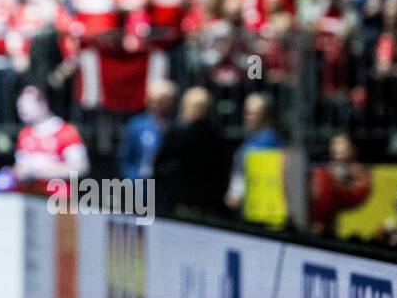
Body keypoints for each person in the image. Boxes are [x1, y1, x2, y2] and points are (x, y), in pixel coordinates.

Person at [153, 87, 230, 218]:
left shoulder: (176, 136)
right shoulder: (220, 139)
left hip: (179, 210)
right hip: (211, 211)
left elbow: (160, 170)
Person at [8, 84, 88, 198]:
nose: (21, 109)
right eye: (19, 105)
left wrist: (39, 172)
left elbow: (81, 167)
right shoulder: (24, 134)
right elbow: (21, 167)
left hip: (59, 202)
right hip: (30, 199)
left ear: (43, 104)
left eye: (27, 104)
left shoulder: (67, 132)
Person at [225, 92, 284, 211]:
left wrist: (237, 195)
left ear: (266, 116)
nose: (247, 117)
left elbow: (252, 172)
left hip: (256, 207)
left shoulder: (268, 141)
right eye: (246, 113)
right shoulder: (253, 138)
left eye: (252, 113)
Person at [308, 133, 372, 236]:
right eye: (335, 143)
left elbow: (358, 192)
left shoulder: (358, 170)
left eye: (342, 144)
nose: (337, 147)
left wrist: (341, 181)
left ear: (351, 147)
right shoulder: (323, 170)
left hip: (347, 220)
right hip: (322, 218)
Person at [117, 79, 176, 180]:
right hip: (141, 184)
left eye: (162, 101)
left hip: (169, 185)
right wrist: (133, 180)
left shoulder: (177, 127)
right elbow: (124, 159)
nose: (156, 105)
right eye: (153, 101)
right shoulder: (137, 125)